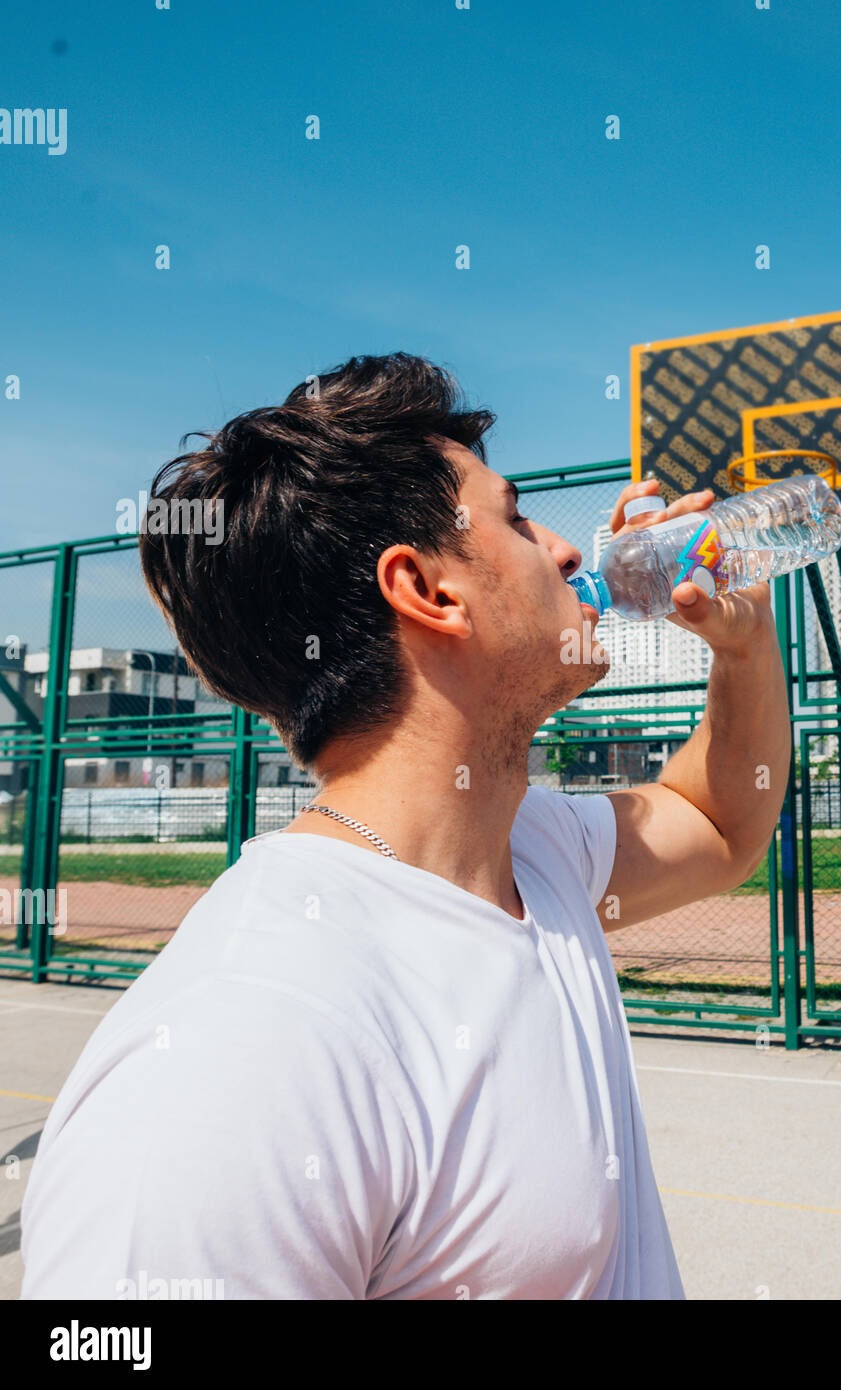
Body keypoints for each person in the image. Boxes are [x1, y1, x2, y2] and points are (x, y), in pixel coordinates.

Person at [20, 353, 790, 1300]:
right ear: (427, 592)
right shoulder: (246, 1040)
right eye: (514, 518)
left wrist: (744, 644)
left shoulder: (530, 851)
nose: (568, 551)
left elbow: (718, 827)